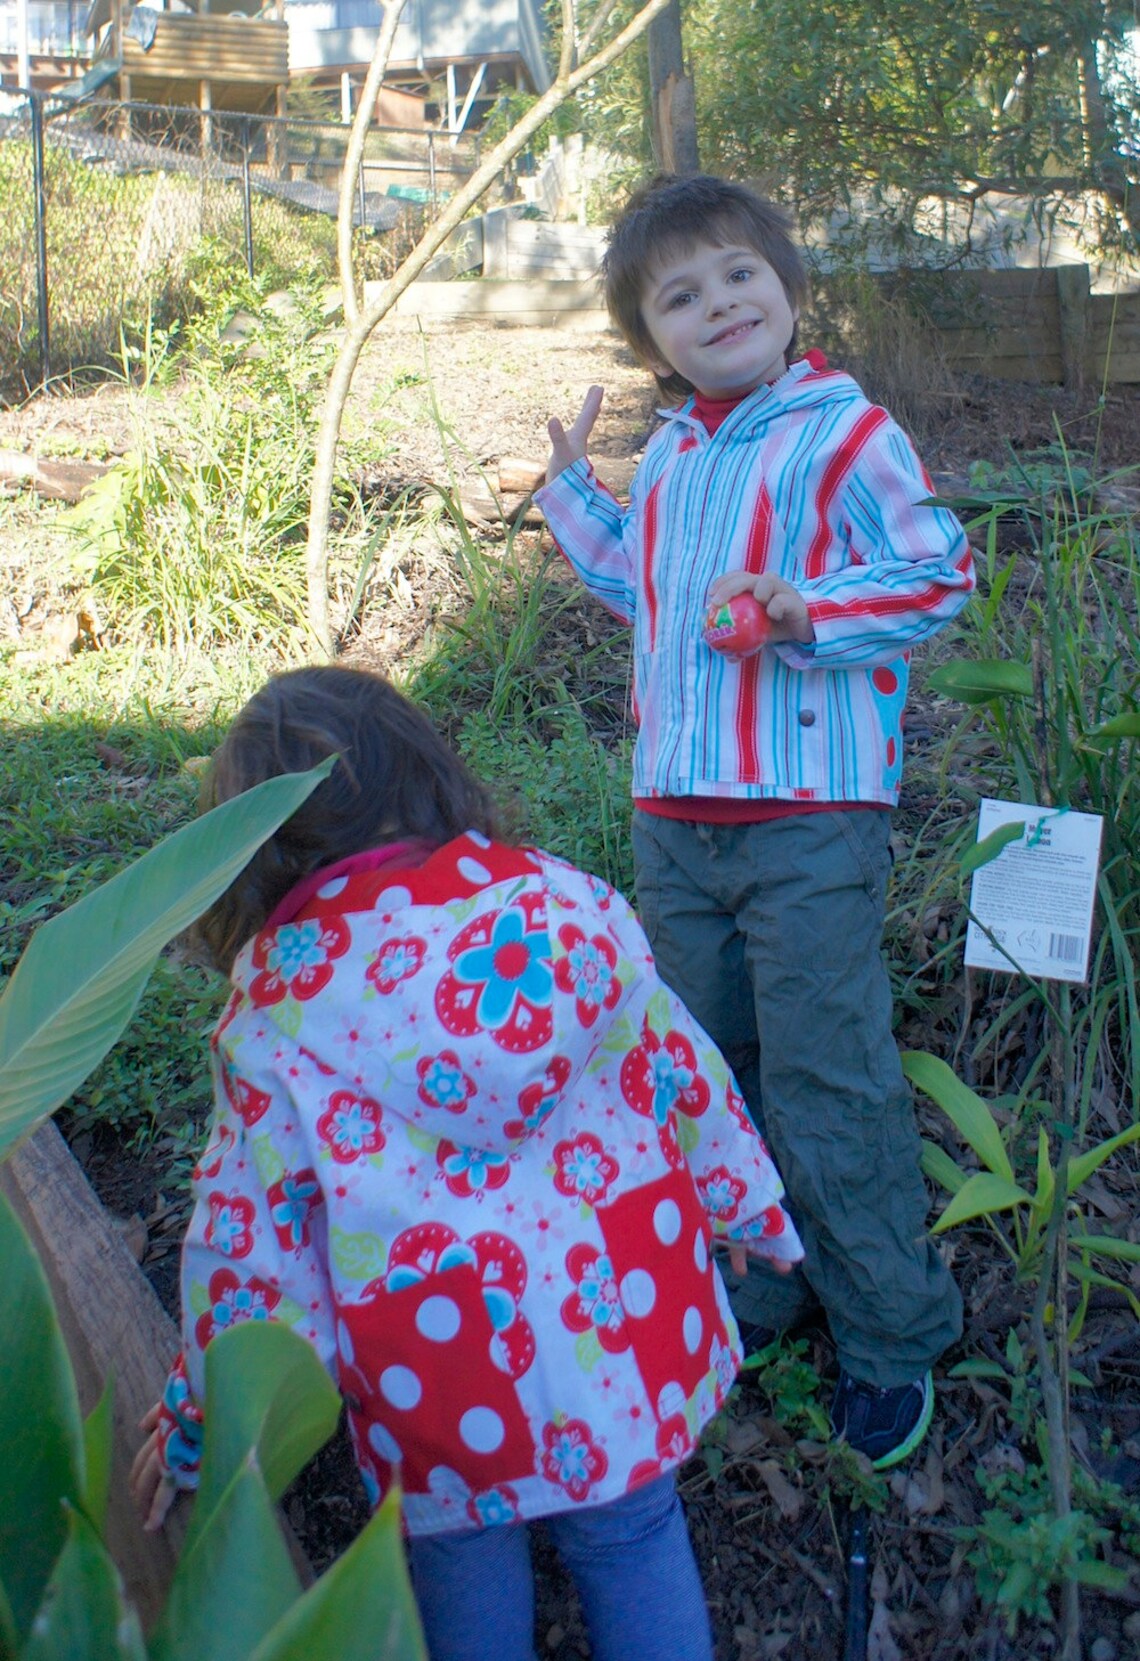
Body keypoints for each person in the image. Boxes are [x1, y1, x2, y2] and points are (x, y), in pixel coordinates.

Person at [130, 665, 804, 1661]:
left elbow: (247, 1243)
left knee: (460, 1565)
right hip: (617, 1323)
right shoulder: (563, 899)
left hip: (439, 1365)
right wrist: (738, 1199)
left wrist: (202, 1409)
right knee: (634, 1535)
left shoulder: (273, 1003)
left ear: (255, 841)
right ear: (427, 769)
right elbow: (675, 1061)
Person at [536, 174, 975, 1472]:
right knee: (709, 1069)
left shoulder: (843, 433)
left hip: (804, 820)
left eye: (738, 274)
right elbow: (647, 589)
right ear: (650, 338)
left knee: (826, 1071)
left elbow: (937, 571)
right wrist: (574, 493)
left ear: (785, 291)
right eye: (679, 293)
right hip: (676, 823)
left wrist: (805, 614)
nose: (717, 302)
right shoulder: (675, 450)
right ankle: (767, 1289)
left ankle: (896, 1333)